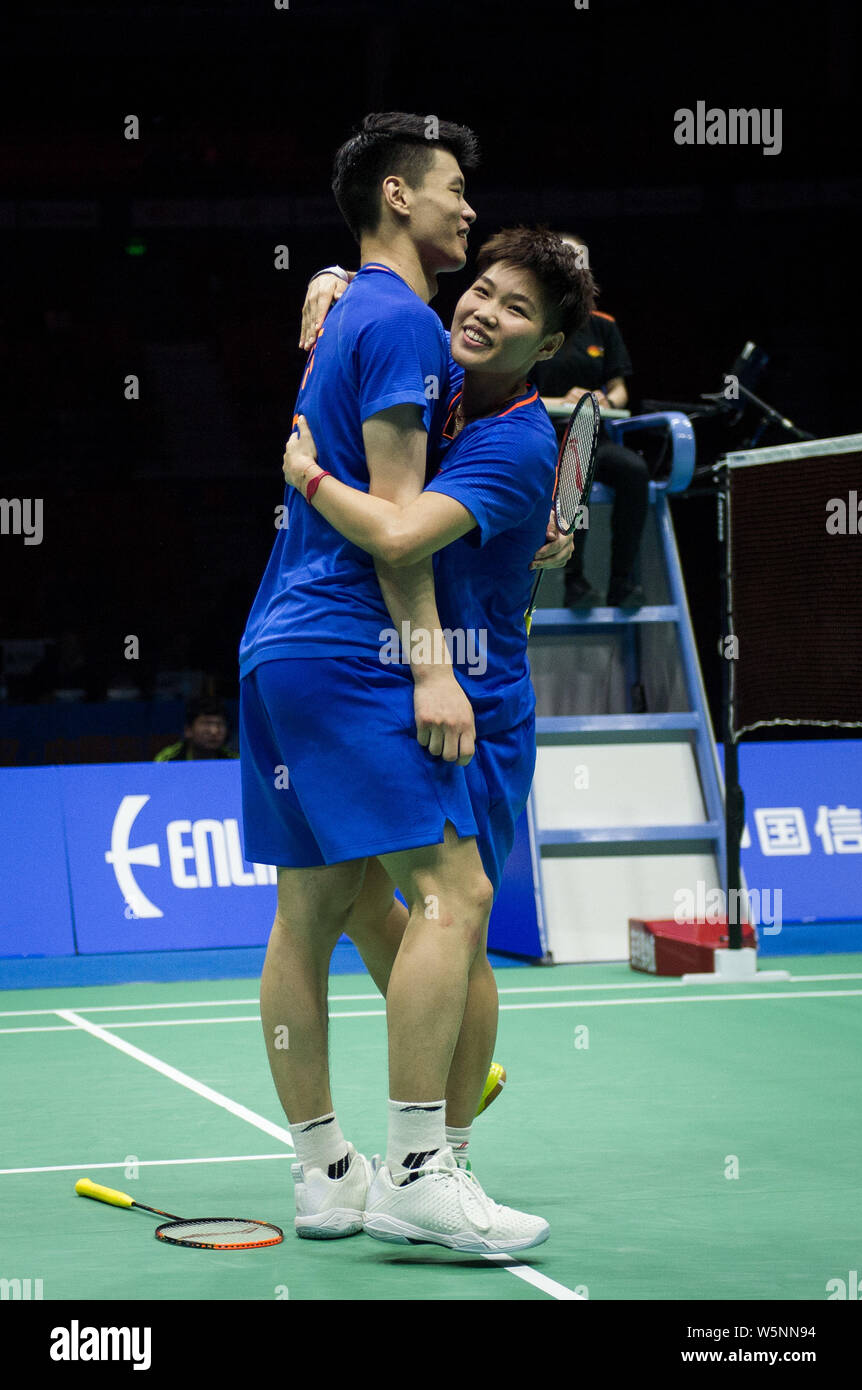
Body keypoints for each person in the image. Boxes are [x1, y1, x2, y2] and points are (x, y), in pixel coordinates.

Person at [239, 113, 565, 1253]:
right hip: (355, 643)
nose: (464, 210)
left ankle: (326, 1171)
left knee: (315, 906)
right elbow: (394, 531)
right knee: (457, 898)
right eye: (451, 192)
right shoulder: (405, 326)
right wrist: (431, 670)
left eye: (516, 306)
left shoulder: (367, 315)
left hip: (279, 639)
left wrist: (304, 461)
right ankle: (424, 1165)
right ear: (395, 196)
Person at [532, 233, 649, 609]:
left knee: (635, 471)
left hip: (594, 437)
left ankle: (622, 582)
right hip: (546, 439)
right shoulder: (533, 322)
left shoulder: (603, 326)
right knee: (576, 472)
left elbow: (620, 391)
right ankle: (576, 582)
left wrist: (602, 399)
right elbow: (515, 390)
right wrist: (563, 401)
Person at [154, 695, 236, 761]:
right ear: (188, 730)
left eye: (220, 724)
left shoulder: (234, 761)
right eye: (206, 724)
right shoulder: (168, 760)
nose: (214, 731)